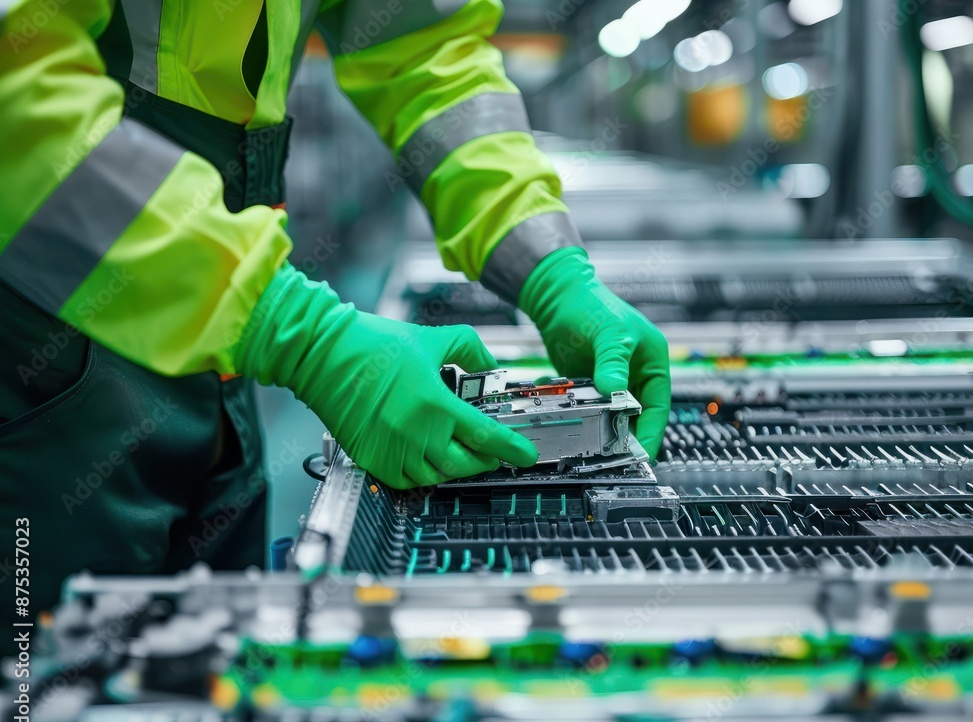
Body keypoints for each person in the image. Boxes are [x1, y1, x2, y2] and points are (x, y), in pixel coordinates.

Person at [0, 0, 670, 624]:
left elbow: (420, 51)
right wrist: (296, 330)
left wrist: (546, 262)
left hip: (224, 341)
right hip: (46, 345)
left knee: (205, 664)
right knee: (43, 687)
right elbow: (14, 98)